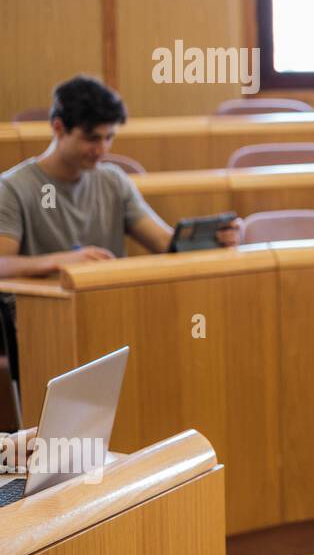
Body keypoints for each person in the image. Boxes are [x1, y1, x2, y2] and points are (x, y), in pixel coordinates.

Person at [0, 76, 241, 387]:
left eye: (109, 137)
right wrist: (61, 261)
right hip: (45, 326)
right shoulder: (13, 188)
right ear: (59, 128)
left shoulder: (113, 181)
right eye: (91, 138)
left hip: (114, 315)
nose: (102, 149)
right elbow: (2, 264)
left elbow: (165, 244)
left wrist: (214, 237)